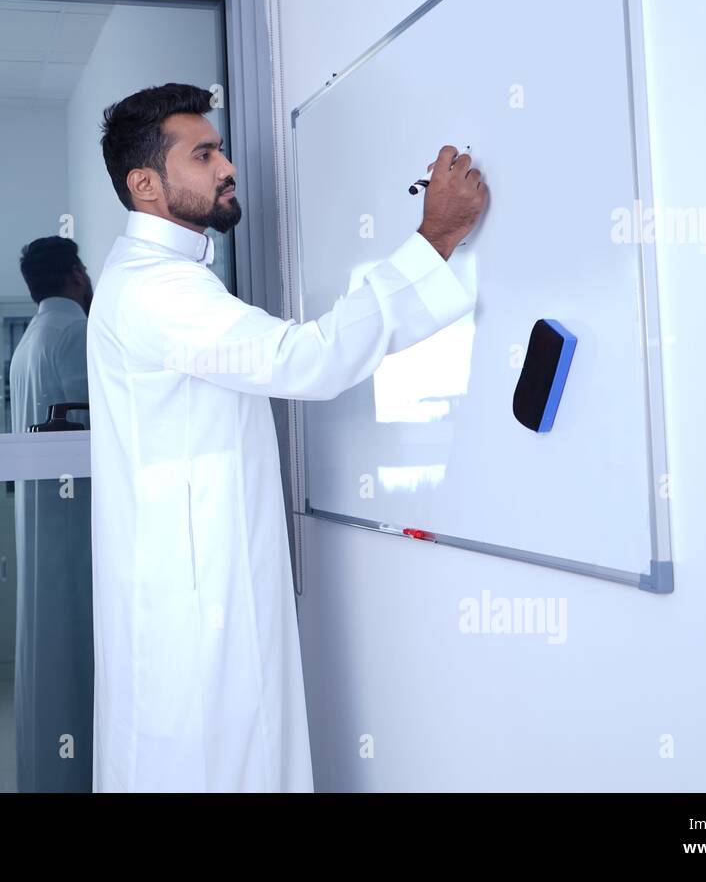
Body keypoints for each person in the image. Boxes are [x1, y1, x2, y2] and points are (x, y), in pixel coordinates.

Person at [87, 82, 487, 791]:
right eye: (204, 153)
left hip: (197, 588)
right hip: (194, 604)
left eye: (221, 149)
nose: (228, 165)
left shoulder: (161, 276)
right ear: (145, 183)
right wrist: (436, 240)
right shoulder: (158, 291)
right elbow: (305, 360)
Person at [9, 235, 95, 792]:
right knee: (75, 644)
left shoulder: (30, 340)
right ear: (73, 275)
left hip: (43, 510)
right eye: (85, 270)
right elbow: (100, 420)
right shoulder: (75, 332)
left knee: (51, 640)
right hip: (73, 515)